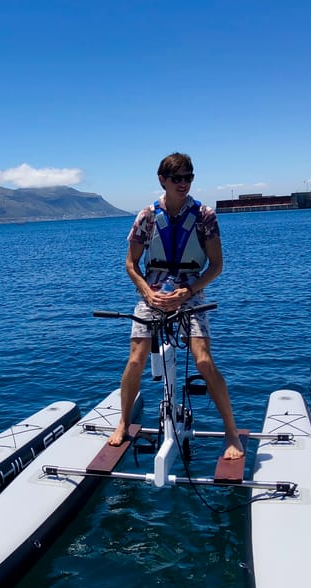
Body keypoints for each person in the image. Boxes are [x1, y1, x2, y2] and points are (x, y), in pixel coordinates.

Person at [108, 152, 244, 460]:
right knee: (136, 359)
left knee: (204, 361)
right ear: (163, 180)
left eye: (188, 177)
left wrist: (188, 291)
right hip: (153, 293)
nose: (183, 183)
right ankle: (123, 422)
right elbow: (131, 264)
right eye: (177, 178)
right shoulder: (146, 217)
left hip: (190, 293)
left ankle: (231, 432)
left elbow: (216, 265)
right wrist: (147, 292)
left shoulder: (205, 216)